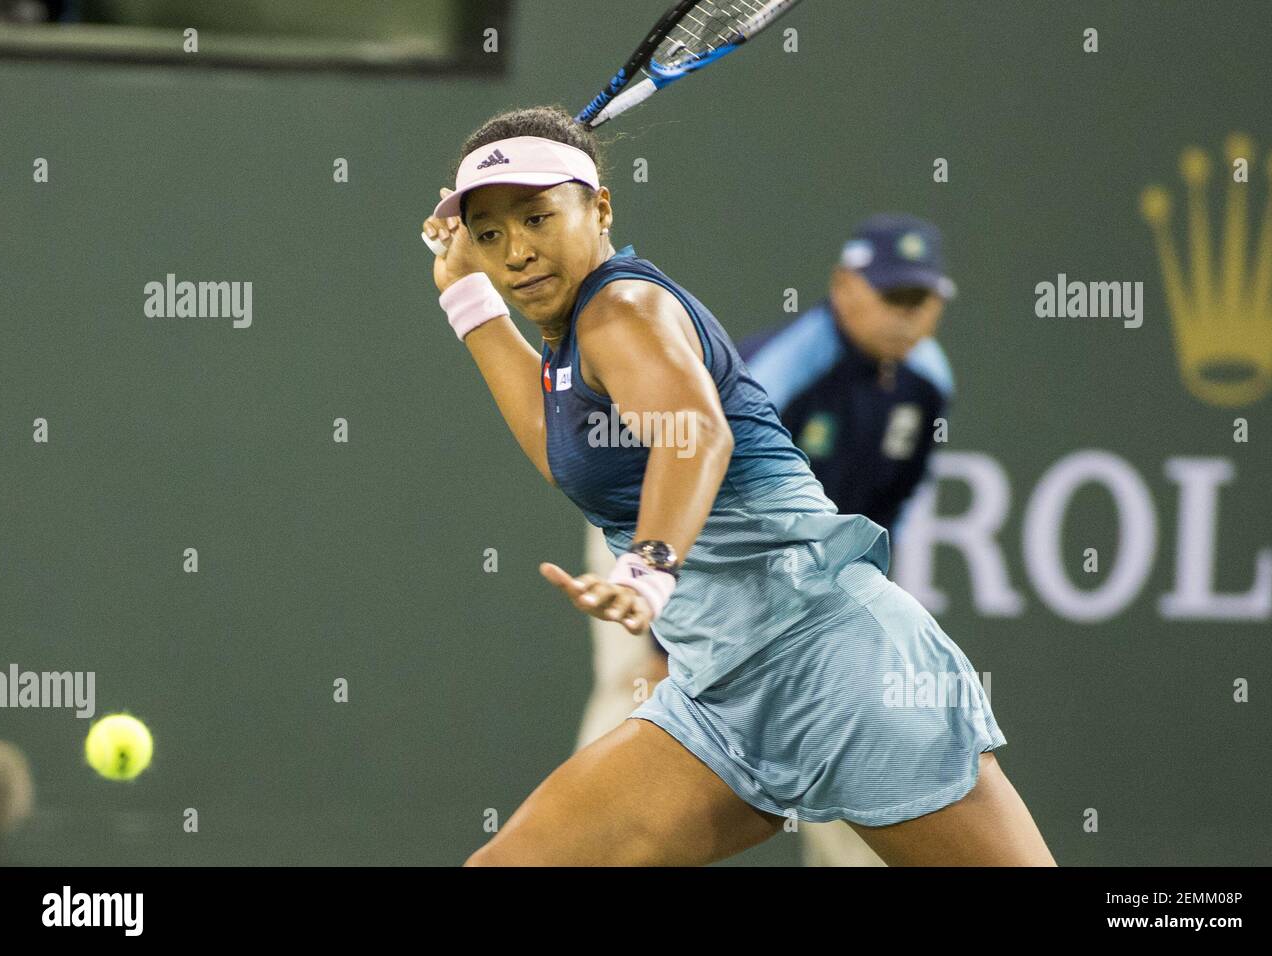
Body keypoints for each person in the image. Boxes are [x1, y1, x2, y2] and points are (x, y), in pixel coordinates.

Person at [424, 105, 1055, 866]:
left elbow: (696, 435)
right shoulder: (571, 337)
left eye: (537, 217)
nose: (517, 251)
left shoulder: (622, 310)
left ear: (601, 208)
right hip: (722, 697)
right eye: (490, 234)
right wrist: (465, 294)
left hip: (836, 669)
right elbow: (560, 449)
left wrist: (648, 567)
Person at [576, 215, 959, 866]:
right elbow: (696, 475)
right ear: (844, 288)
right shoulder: (787, 365)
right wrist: (673, 631)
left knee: (844, 708)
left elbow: (895, 505)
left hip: (790, 568)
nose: (903, 316)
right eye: (889, 295)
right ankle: (587, 848)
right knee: (647, 696)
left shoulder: (928, 383)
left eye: (917, 300)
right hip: (655, 526)